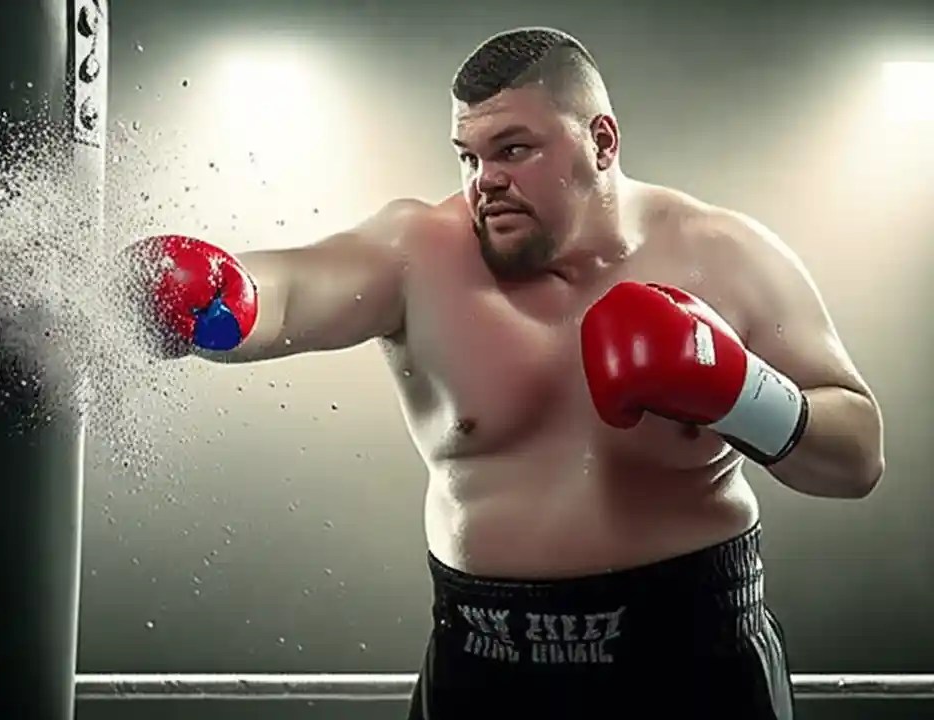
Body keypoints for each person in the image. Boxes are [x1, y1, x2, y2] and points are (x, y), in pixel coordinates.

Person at [122, 26, 885, 718]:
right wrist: (219, 292)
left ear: (602, 141)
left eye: (514, 149)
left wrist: (739, 391)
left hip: (696, 660)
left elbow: (858, 457)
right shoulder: (420, 253)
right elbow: (292, 291)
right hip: (486, 665)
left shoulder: (726, 255)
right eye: (469, 156)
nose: (484, 178)